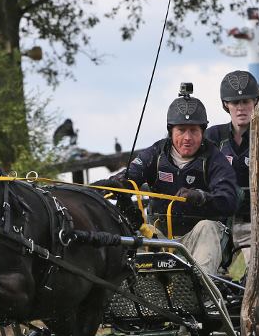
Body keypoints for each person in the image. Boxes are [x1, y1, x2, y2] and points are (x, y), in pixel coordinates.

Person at [98, 84, 237, 275]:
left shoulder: (214, 158)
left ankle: (200, 289)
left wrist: (200, 197)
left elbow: (229, 199)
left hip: (198, 237)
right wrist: (115, 183)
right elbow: (131, 177)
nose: (187, 137)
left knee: (207, 227)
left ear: (203, 131)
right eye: (181, 130)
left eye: (194, 131)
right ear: (171, 131)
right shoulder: (156, 153)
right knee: (129, 229)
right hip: (159, 236)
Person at [205, 70, 259, 265]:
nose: (240, 108)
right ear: (225, 105)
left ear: (255, 101)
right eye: (235, 103)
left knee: (244, 273)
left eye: (245, 101)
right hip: (218, 224)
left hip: (254, 224)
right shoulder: (213, 137)